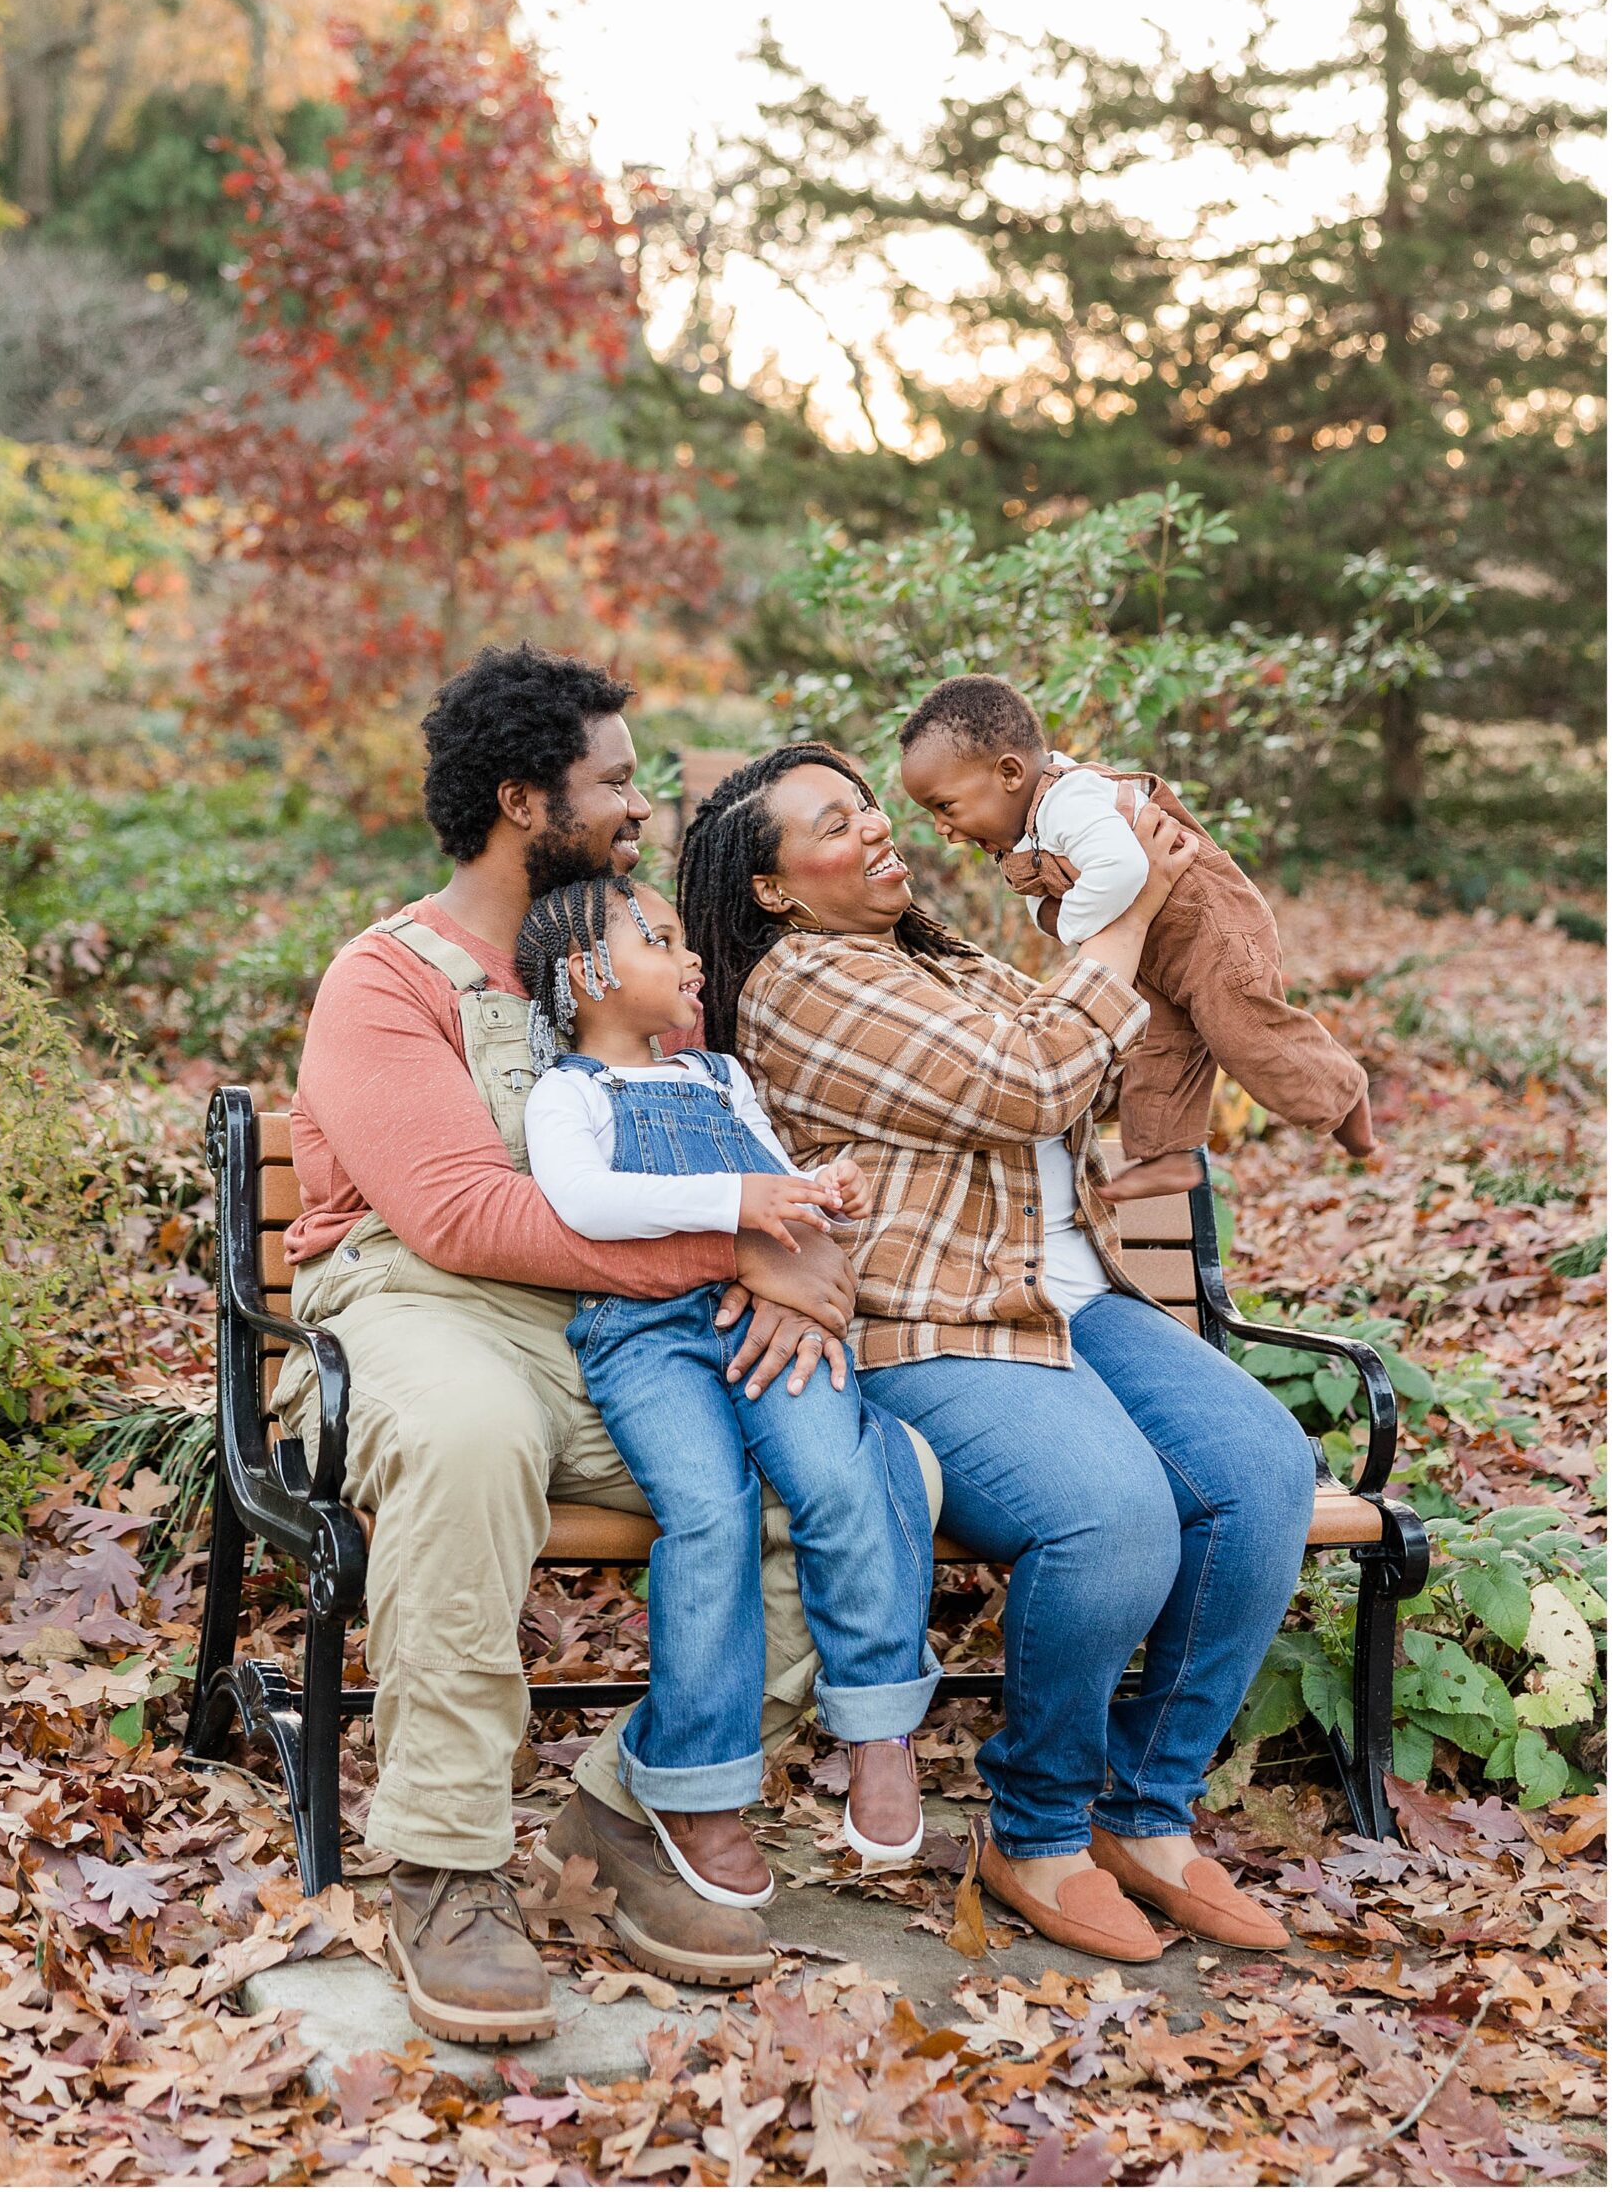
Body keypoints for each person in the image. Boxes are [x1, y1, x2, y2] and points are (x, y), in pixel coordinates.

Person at [273, 646, 923, 2047]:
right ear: (522, 798)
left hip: (627, 1338)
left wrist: (792, 1266)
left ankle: (639, 1805)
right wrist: (741, 1245)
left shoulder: (631, 970)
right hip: (421, 1315)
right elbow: (459, 1213)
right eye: (614, 781)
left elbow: (741, 1156)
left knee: (878, 1473)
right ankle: (444, 1868)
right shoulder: (386, 982)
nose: (643, 805)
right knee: (467, 1438)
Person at [678, 741, 1317, 1964]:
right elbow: (1031, 1080)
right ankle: (1035, 1829)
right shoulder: (801, 981)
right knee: (1112, 1514)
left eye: (869, 806)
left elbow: (1080, 1060)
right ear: (771, 887)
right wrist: (1124, 922)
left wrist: (1108, 908)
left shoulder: (929, 953)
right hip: (932, 1320)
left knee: (1262, 1472)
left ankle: (1145, 1812)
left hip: (1070, 1291)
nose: (874, 827)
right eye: (833, 822)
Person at [518, 872, 939, 1905]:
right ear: (590, 973)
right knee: (710, 1511)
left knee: (839, 1471)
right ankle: (697, 1780)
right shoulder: (568, 1094)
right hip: (647, 1339)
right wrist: (739, 1205)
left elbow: (780, 1185)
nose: (692, 954)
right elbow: (584, 1200)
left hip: (763, 1321)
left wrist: (817, 1200)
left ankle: (880, 1718)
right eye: (660, 938)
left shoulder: (719, 1075)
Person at [897, 674, 1377, 1204]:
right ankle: (1166, 1154)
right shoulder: (1024, 834)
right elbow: (1043, 907)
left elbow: (1123, 868)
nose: (941, 827)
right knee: (1154, 1046)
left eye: (944, 806)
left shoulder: (1069, 799)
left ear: (1009, 772)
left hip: (1209, 930)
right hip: (1156, 950)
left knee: (1243, 1033)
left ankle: (1341, 1092)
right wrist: (1062, 918)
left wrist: (1079, 929)